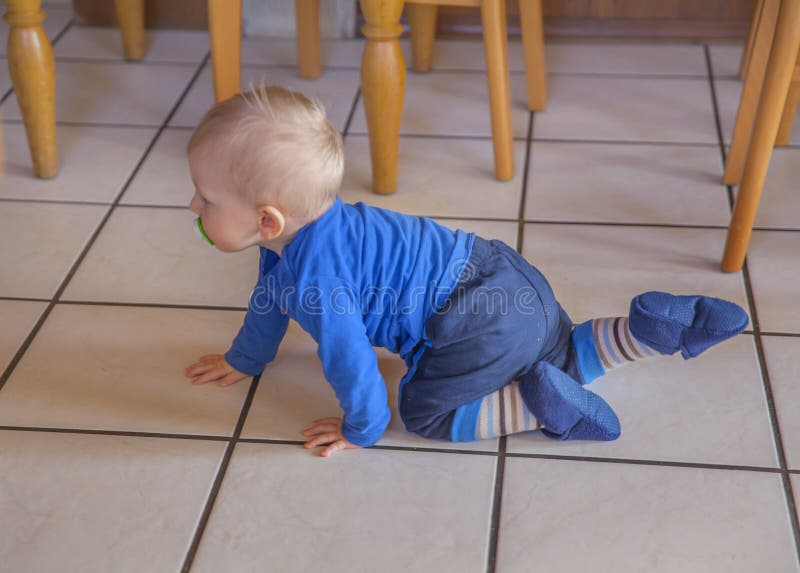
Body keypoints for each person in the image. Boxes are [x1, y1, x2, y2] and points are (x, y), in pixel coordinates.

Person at [184, 85, 748, 458]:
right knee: (551, 341)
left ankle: (535, 406)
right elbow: (267, 302)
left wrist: (361, 428)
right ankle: (648, 331)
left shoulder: (313, 279)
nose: (193, 208)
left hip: (469, 322)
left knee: (424, 412)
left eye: (205, 199)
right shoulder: (297, 238)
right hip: (507, 276)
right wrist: (245, 358)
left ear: (267, 219)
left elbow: (348, 359)